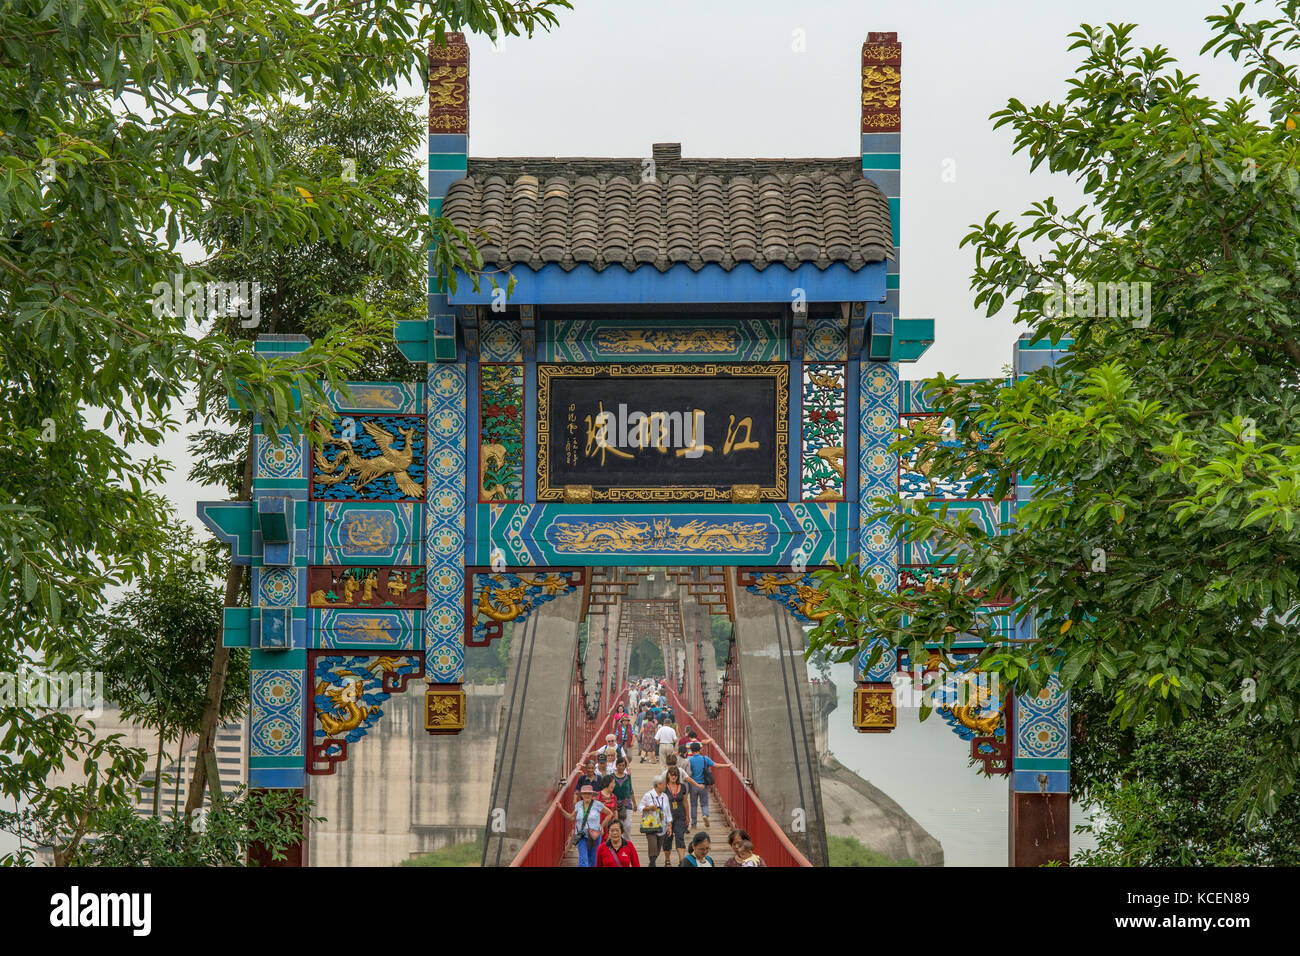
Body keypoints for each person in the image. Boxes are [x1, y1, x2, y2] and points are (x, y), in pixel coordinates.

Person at [560, 784, 612, 867]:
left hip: (594, 834)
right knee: (583, 858)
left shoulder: (597, 804)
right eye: (585, 793)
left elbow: (610, 813)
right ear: (581, 795)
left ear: (592, 795)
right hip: (581, 835)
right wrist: (561, 809)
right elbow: (571, 818)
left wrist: (602, 826)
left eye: (589, 793)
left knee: (593, 858)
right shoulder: (578, 805)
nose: (587, 795)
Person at [685, 741, 726, 830]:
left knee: (693, 805)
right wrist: (727, 765)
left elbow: (687, 773)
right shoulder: (705, 759)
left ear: (691, 751)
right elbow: (716, 765)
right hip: (703, 785)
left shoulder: (689, 760)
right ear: (699, 750)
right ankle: (705, 815)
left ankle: (694, 824)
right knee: (704, 804)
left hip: (693, 785)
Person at [637, 774, 672, 868]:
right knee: (652, 844)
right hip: (650, 825)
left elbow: (668, 811)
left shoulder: (665, 796)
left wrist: (669, 825)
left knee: (658, 847)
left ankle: (651, 863)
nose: (665, 786)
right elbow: (640, 807)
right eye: (664, 784)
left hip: (662, 825)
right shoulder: (648, 795)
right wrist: (649, 808)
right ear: (658, 785)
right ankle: (653, 864)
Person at [664, 766, 690, 866]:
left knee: (680, 837)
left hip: (680, 816)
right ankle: (667, 860)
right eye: (672, 774)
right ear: (668, 775)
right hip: (667, 817)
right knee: (668, 838)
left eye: (676, 774)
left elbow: (685, 802)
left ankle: (681, 861)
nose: (674, 776)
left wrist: (687, 816)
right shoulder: (664, 787)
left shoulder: (682, 786)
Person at [610, 757, 636, 833]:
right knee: (617, 825)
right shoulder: (612, 777)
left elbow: (631, 790)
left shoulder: (628, 777)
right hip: (615, 805)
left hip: (627, 804)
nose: (621, 767)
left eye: (623, 765)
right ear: (616, 766)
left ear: (625, 766)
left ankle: (627, 843)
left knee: (627, 825)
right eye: (619, 765)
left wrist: (634, 803)